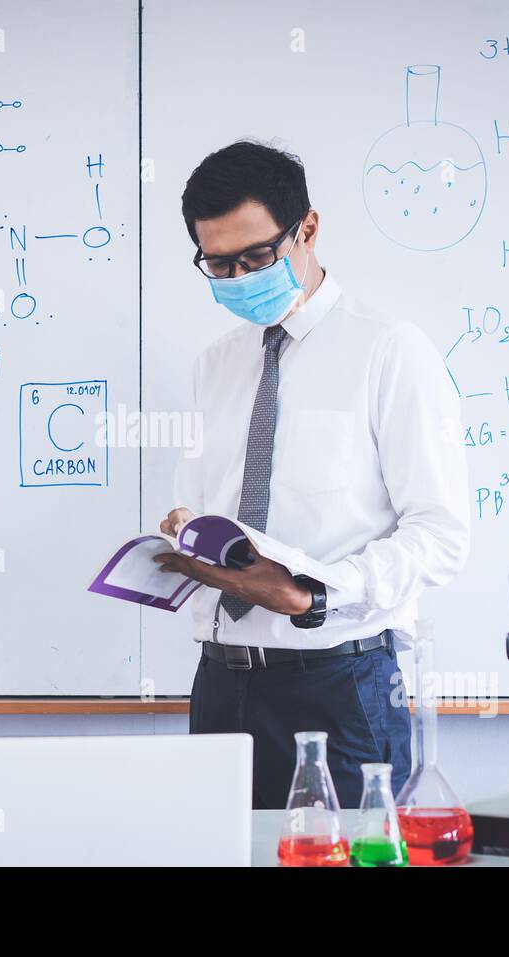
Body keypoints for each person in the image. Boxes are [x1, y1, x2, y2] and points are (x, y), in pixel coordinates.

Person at [154, 141, 470, 809]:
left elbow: (441, 534)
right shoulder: (215, 364)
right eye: (218, 263)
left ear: (309, 229)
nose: (238, 277)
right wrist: (184, 530)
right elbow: (211, 504)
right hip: (221, 684)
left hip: (340, 682)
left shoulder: (390, 350)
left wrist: (315, 595)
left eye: (256, 257)